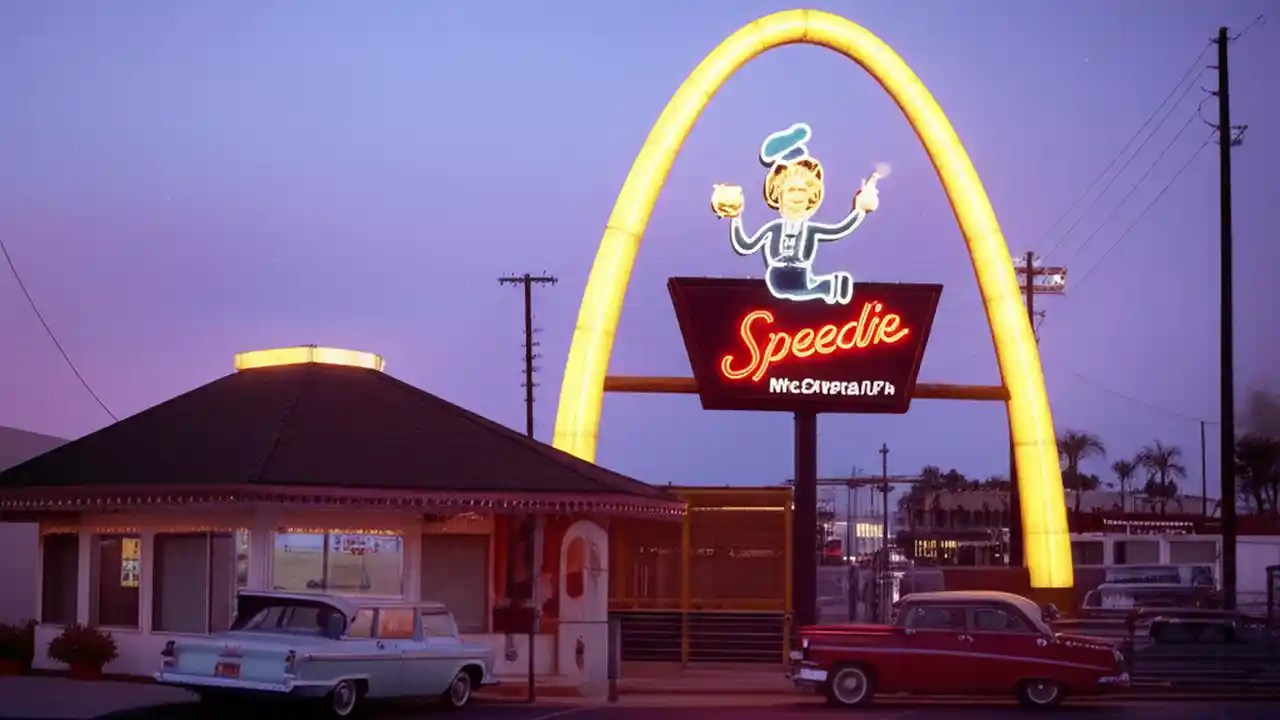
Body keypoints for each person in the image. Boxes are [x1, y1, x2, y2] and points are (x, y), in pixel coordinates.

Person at [710, 122, 881, 305]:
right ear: (777, 194)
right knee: (797, 288)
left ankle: (828, 288)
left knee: (802, 287)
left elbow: (838, 230)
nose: (797, 197)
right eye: (791, 190)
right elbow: (745, 246)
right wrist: (735, 217)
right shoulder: (773, 229)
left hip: (801, 274)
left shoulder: (810, 231)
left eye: (803, 191)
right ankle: (828, 287)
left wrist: (860, 210)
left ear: (812, 197)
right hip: (778, 277)